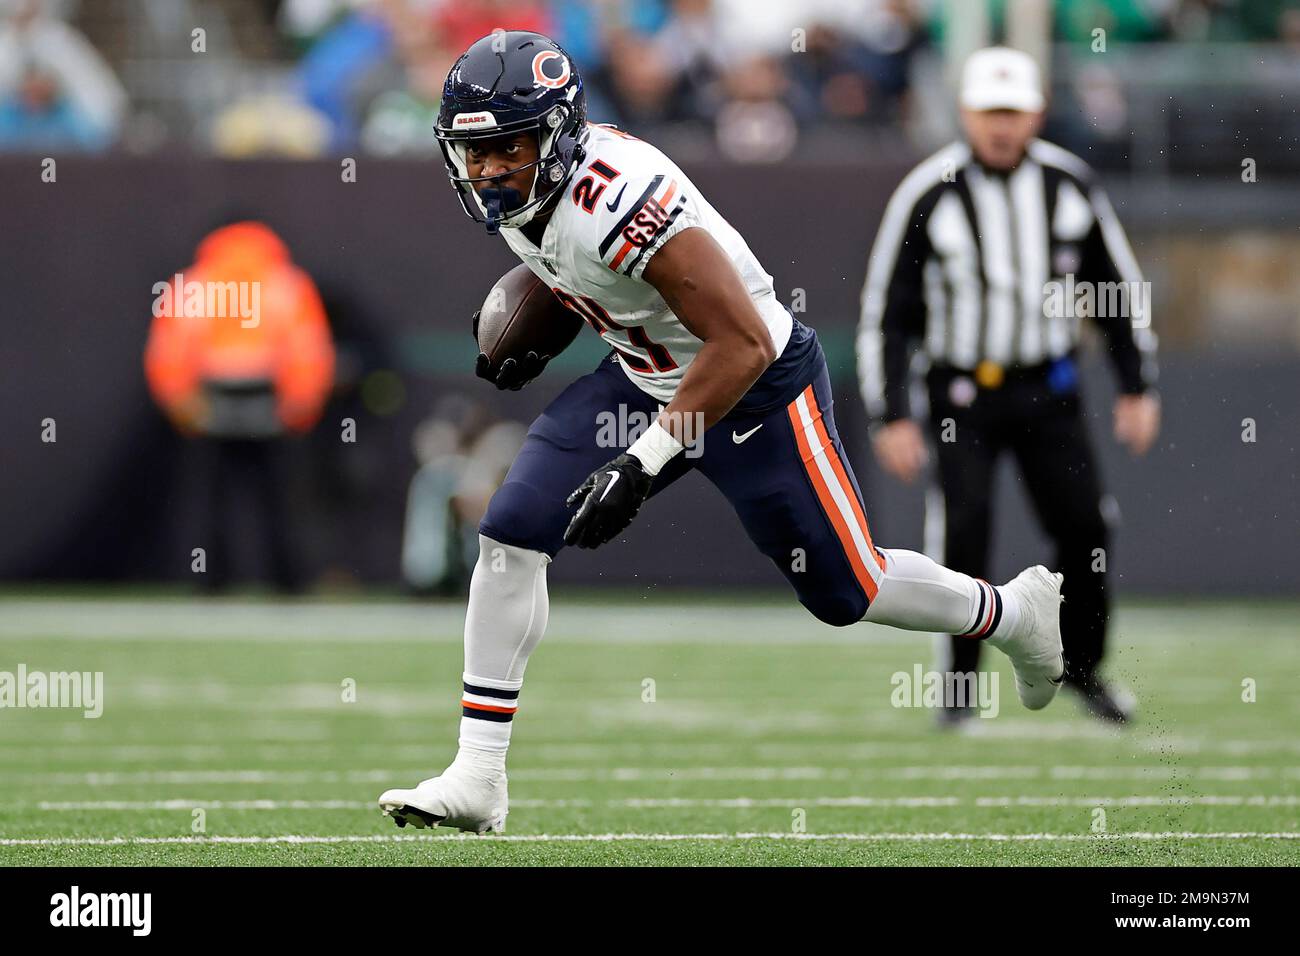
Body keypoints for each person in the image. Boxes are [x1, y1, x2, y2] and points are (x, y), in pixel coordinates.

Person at [377, 32, 1066, 834]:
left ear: (555, 137)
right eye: (475, 150)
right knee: (510, 531)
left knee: (850, 590)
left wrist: (641, 466)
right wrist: (544, 316)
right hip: (641, 375)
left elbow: (740, 342)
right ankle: (478, 775)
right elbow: (582, 271)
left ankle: (1012, 612)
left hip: (756, 387)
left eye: (506, 148)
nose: (489, 168)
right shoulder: (532, 192)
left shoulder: (619, 199)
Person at [856, 48, 1159, 726]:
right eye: (990, 111)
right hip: (962, 393)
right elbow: (890, 310)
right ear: (966, 113)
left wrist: (1138, 384)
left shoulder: (1068, 184)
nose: (1001, 125)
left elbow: (1114, 290)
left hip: (1049, 389)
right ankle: (960, 690)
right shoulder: (929, 191)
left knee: (1085, 527)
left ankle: (1084, 668)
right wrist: (890, 414)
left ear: (1037, 114)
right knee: (964, 531)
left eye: (1013, 112)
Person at [144, 220, 336, 591]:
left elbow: (169, 349)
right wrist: (300, 403)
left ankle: (210, 580)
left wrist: (181, 402)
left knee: (212, 496)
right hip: (268, 402)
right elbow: (308, 348)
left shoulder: (195, 283)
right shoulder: (285, 283)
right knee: (278, 497)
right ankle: (289, 582)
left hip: (212, 400)